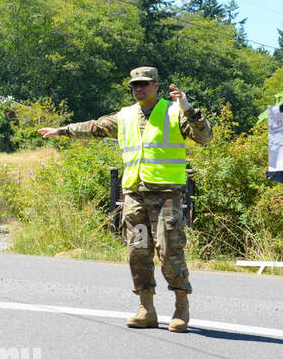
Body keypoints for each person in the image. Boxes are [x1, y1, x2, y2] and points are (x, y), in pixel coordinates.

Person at [36, 66, 213, 332]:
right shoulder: (126, 115)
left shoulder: (174, 111)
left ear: (156, 86)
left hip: (165, 195)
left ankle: (181, 306)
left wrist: (188, 108)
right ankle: (146, 308)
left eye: (144, 84)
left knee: (169, 251)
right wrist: (61, 131)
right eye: (134, 85)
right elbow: (94, 127)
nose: (138, 88)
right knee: (137, 251)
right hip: (134, 196)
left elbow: (205, 137)